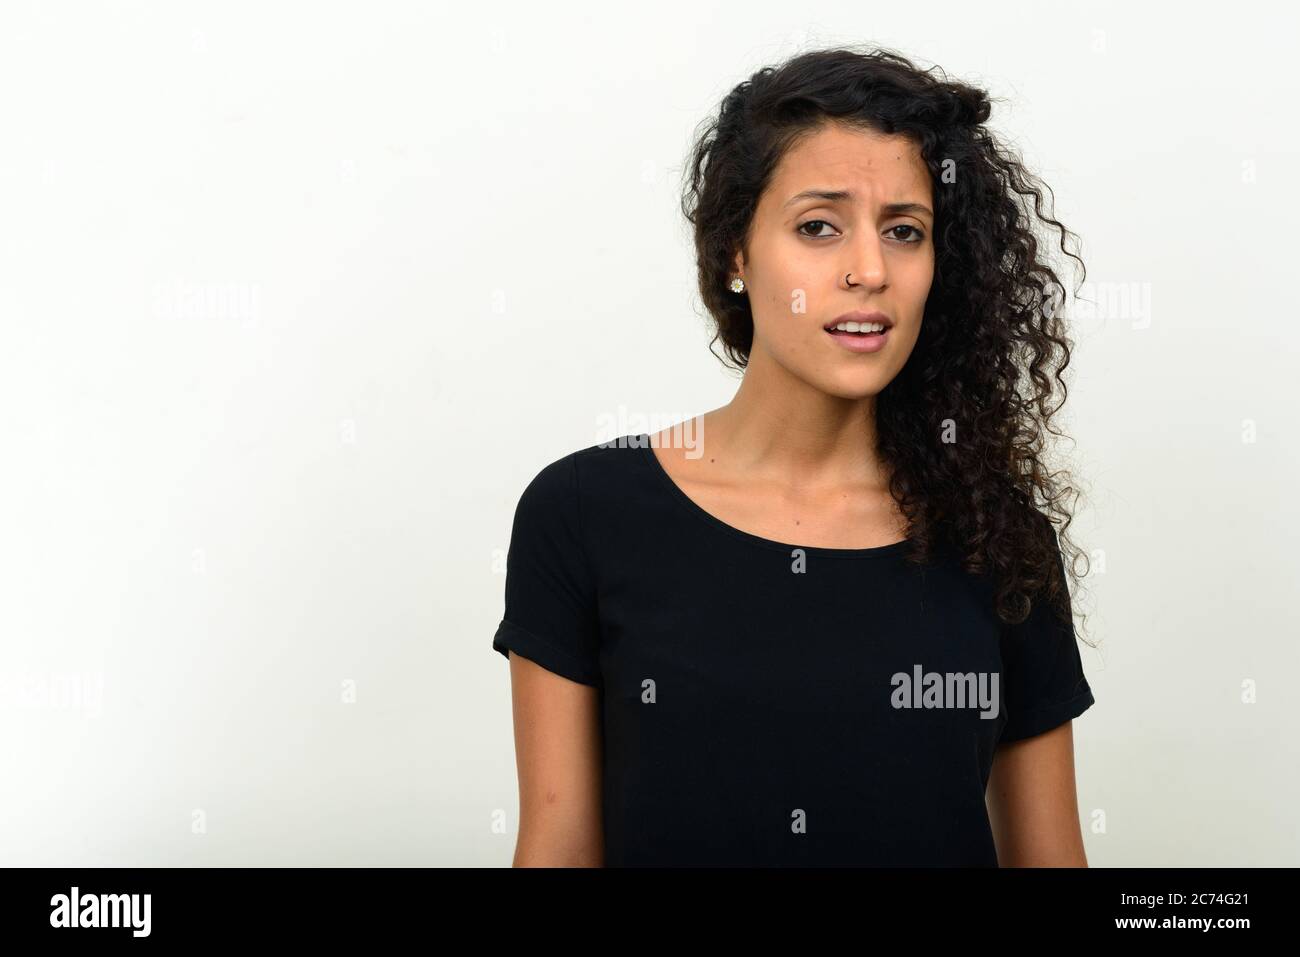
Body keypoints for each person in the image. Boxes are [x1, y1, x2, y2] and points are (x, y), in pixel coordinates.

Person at [493, 46, 1097, 867]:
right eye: (818, 225)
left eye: (905, 231)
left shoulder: (996, 535)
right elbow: (558, 849)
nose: (869, 270)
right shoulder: (584, 514)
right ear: (735, 253)